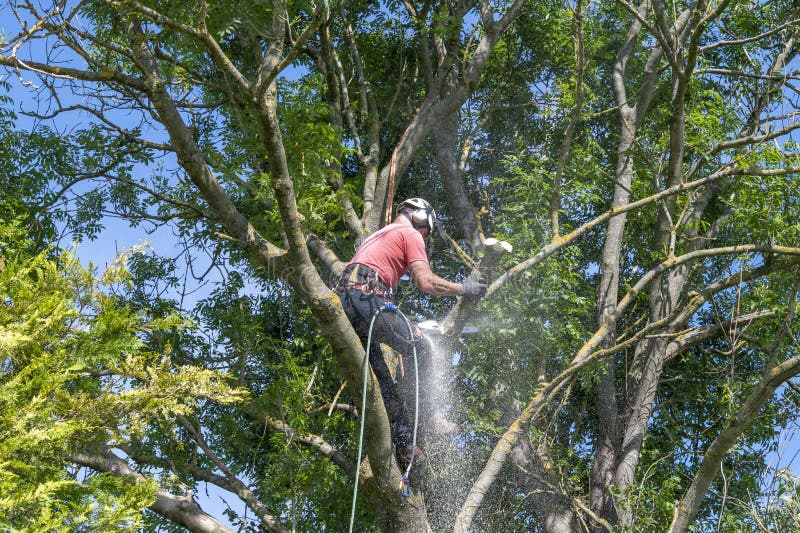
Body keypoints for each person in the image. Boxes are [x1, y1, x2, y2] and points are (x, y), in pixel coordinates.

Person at [334, 198, 487, 466]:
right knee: (420, 346)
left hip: (347, 305)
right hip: (367, 299)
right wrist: (464, 288)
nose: (426, 237)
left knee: (381, 384)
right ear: (420, 217)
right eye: (428, 230)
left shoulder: (377, 236)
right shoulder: (409, 234)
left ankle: (405, 445)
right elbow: (425, 282)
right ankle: (427, 419)